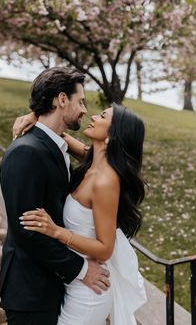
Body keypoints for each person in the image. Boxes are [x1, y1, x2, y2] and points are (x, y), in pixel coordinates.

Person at [0, 67, 111, 325]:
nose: (84, 109)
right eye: (80, 101)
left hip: (52, 284)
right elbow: (27, 230)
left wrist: (35, 115)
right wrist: (82, 270)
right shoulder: (25, 152)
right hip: (31, 291)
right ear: (61, 99)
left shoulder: (55, 146)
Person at [16, 103, 147, 325]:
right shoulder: (93, 162)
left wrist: (56, 231)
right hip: (75, 281)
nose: (93, 116)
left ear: (115, 134)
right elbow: (60, 135)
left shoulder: (105, 181)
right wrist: (36, 115)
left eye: (103, 115)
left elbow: (105, 249)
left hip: (88, 292)